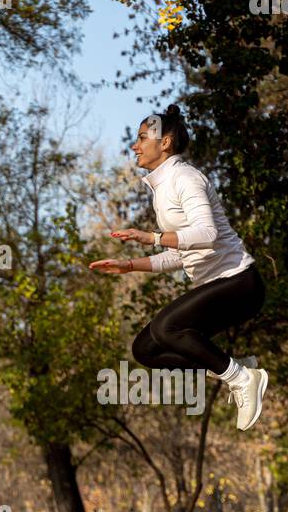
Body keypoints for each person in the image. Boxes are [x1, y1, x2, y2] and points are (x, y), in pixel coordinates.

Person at [89, 105, 268, 430]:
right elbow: (183, 251)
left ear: (166, 142)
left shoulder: (184, 178)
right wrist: (130, 265)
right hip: (221, 287)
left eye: (142, 138)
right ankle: (235, 368)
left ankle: (240, 378)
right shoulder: (162, 188)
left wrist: (153, 237)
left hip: (240, 283)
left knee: (165, 329)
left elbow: (207, 234)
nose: (135, 146)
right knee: (146, 350)